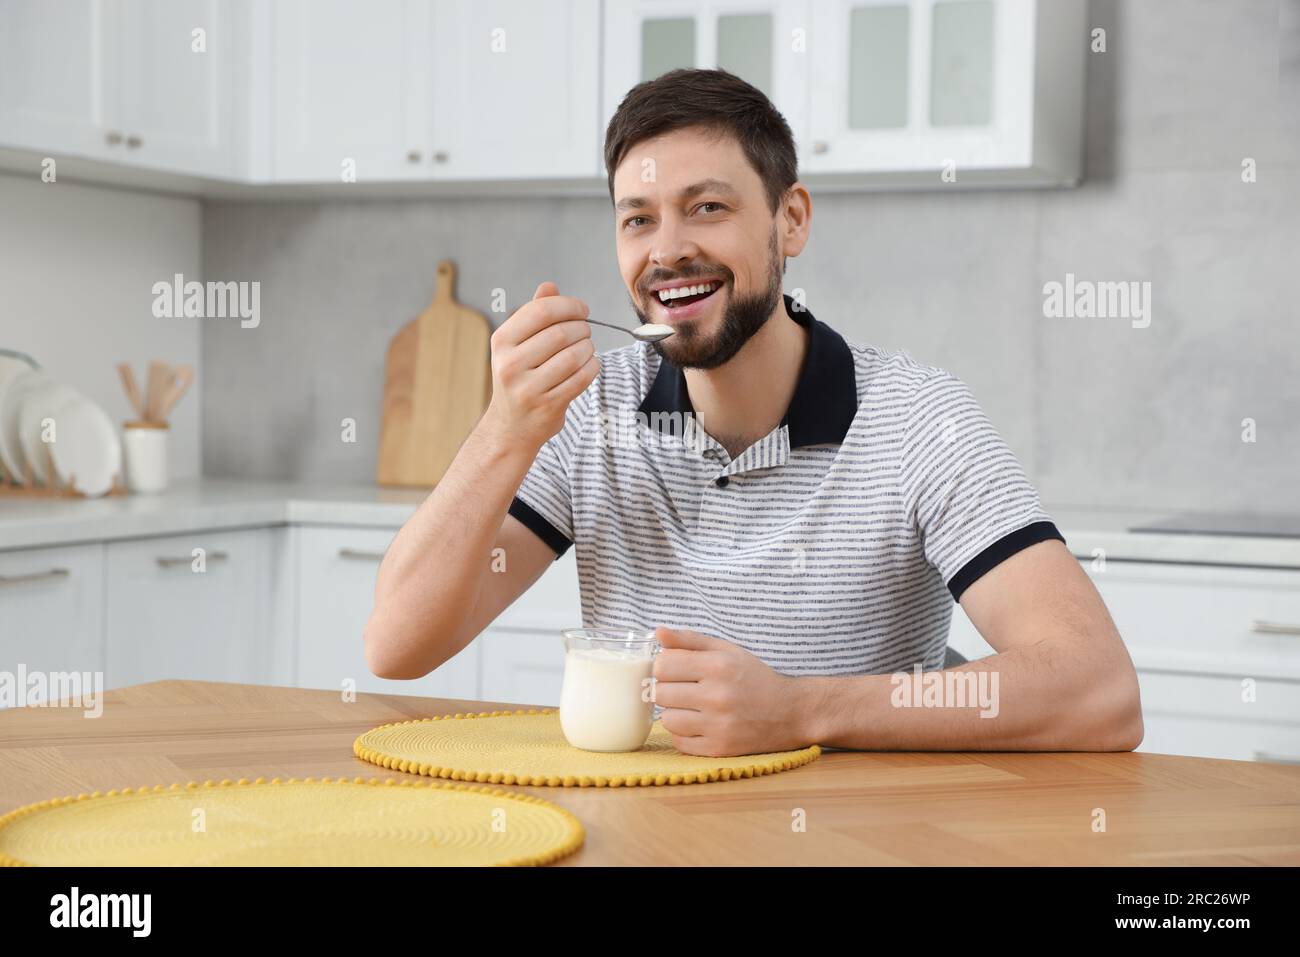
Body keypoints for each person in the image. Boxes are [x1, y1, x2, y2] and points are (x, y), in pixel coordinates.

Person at [365, 69, 1143, 758]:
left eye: (706, 207)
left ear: (791, 220)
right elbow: (396, 645)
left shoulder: (916, 419)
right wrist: (504, 429)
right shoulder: (591, 410)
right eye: (638, 218)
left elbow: (1097, 686)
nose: (666, 250)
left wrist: (801, 709)